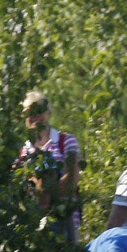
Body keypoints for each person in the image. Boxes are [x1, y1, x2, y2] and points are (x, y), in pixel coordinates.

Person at [14, 91, 84, 242]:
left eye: (39, 111)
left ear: (48, 113)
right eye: (30, 113)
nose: (35, 117)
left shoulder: (65, 141)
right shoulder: (23, 150)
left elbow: (72, 181)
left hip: (65, 219)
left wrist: (42, 190)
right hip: (34, 222)